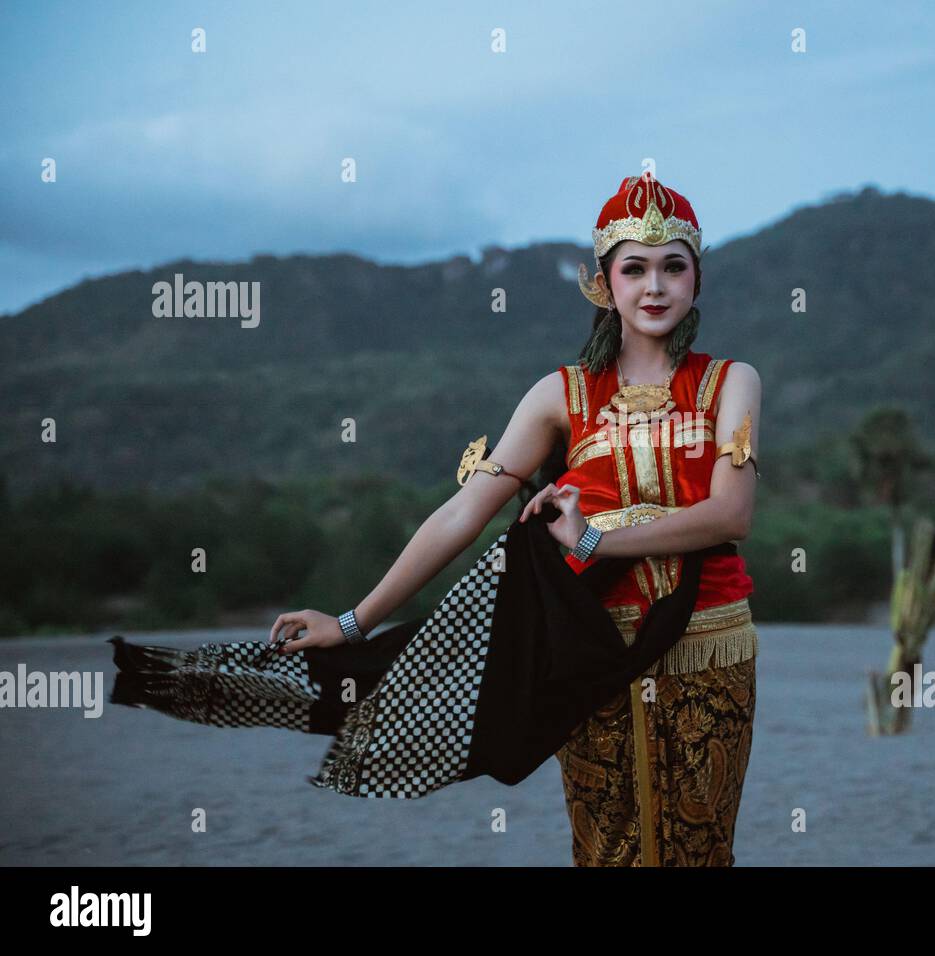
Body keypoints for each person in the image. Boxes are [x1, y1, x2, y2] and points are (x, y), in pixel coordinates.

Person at [117, 170, 762, 867]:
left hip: (710, 645)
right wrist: (350, 622)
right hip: (585, 651)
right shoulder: (560, 395)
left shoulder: (731, 382)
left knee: (700, 847)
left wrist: (597, 538)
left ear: (697, 278)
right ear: (604, 285)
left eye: (674, 266)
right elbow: (462, 514)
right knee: (607, 849)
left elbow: (730, 514)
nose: (655, 286)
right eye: (635, 268)